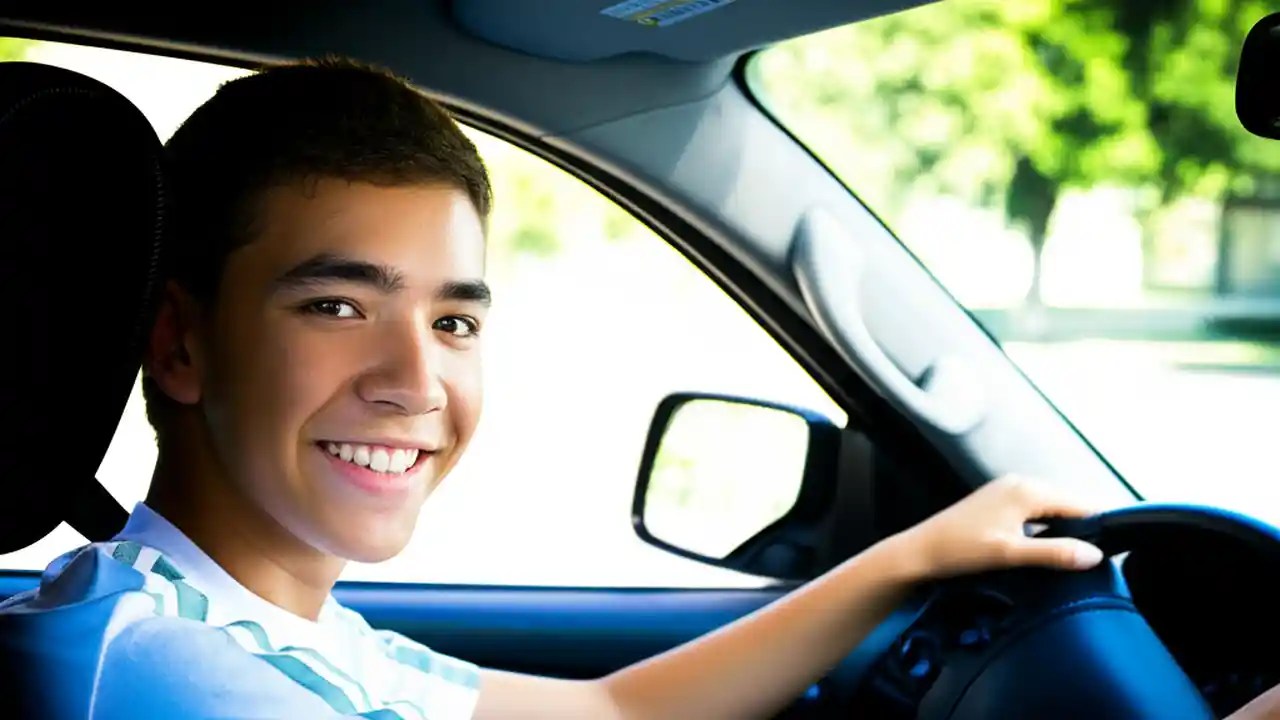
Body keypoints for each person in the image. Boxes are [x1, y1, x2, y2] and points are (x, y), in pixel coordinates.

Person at [0, 56, 1216, 719]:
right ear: (181, 346)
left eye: (454, 320)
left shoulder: (265, 630)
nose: (416, 381)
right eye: (338, 306)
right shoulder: (170, 673)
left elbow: (613, 716)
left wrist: (910, 560)